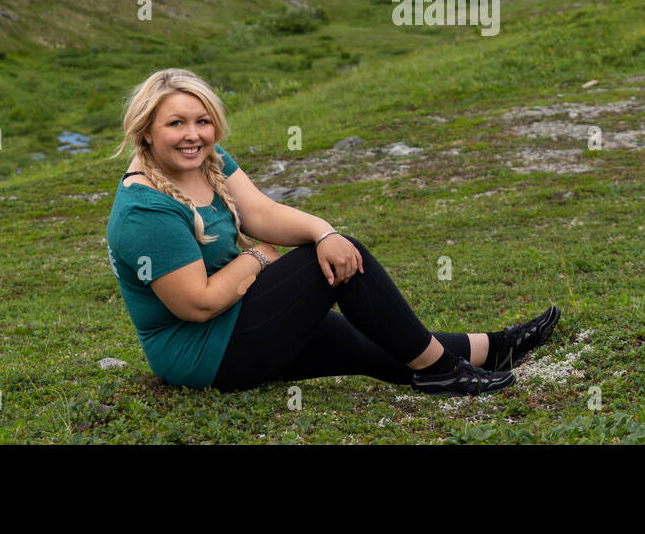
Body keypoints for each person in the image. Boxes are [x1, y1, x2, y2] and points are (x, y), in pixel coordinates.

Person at [105, 68, 561, 396]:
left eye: (202, 121)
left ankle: (496, 348)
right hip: (204, 353)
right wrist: (260, 257)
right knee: (331, 263)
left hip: (240, 313)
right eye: (176, 124)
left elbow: (259, 212)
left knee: (368, 341)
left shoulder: (206, 158)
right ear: (145, 132)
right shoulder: (147, 211)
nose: (193, 135)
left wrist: (324, 232)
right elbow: (198, 303)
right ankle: (442, 371)